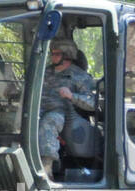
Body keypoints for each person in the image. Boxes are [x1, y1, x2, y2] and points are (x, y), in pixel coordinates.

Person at [39, 38, 97, 180]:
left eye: (57, 54)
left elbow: (93, 103)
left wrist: (72, 96)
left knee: (50, 121)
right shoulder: (43, 72)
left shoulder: (80, 76)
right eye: (52, 53)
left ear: (67, 56)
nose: (53, 57)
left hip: (61, 112)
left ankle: (46, 169)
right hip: (37, 110)